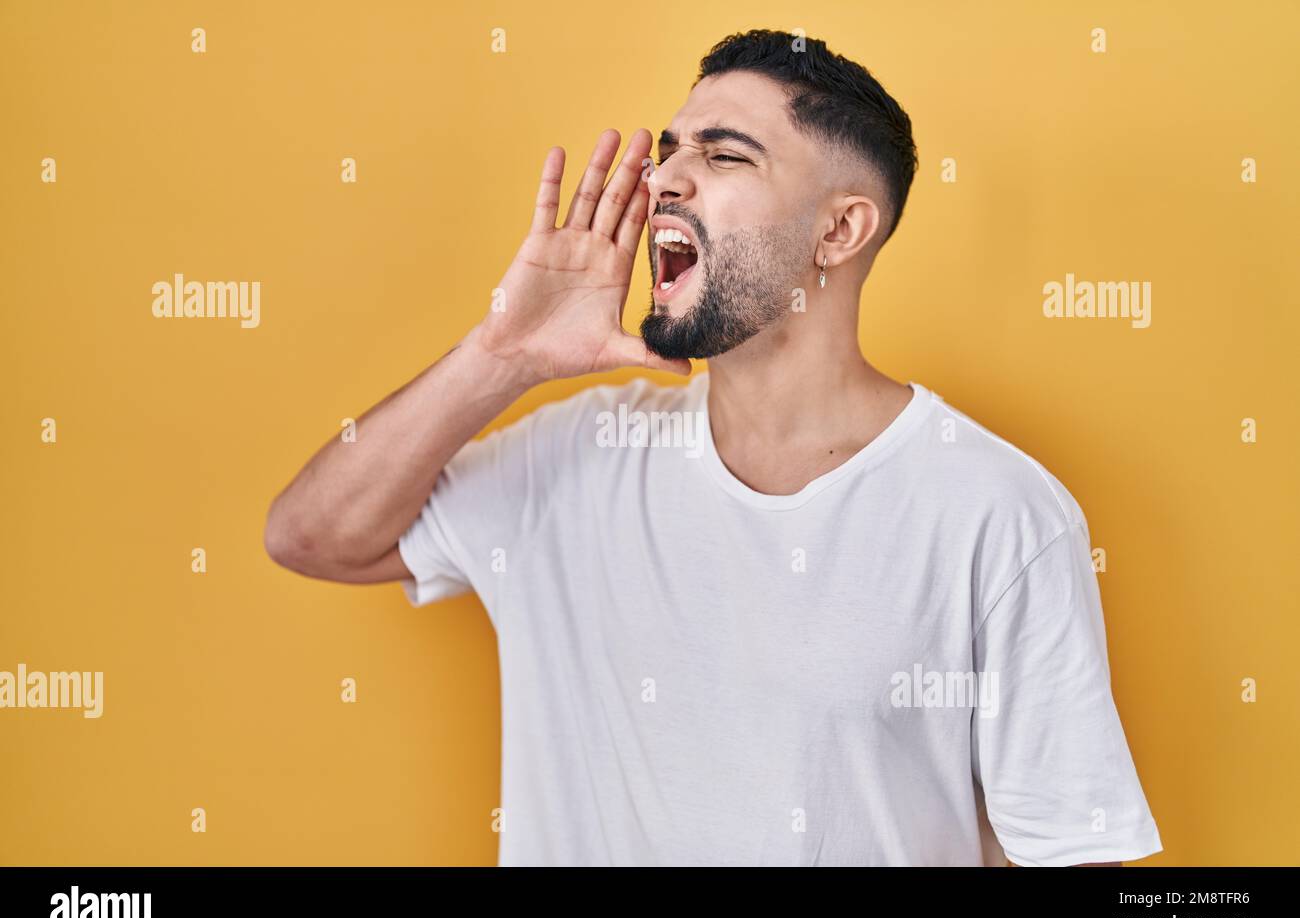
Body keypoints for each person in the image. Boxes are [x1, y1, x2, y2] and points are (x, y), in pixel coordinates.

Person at [265, 29, 1162, 866]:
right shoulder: (574, 456)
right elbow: (310, 536)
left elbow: (1066, 852)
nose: (666, 180)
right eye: (670, 151)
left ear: (840, 231)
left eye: (725, 154)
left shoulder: (995, 513)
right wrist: (502, 355)